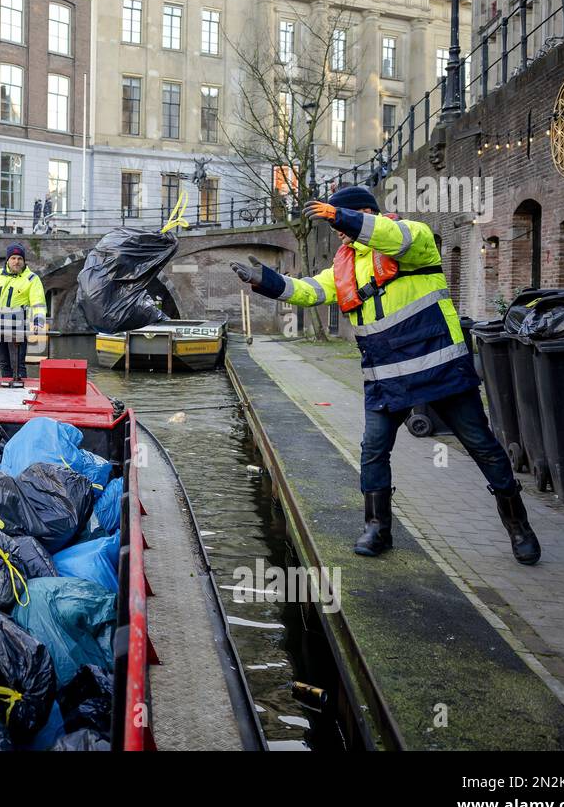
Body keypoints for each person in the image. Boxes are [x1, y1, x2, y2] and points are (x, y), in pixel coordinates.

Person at [228, 185, 541, 566]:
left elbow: (391, 237)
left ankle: (519, 527)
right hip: (385, 377)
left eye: (341, 221)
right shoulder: (346, 265)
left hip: (439, 368)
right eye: (336, 222)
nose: (338, 232)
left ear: (363, 214)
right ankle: (377, 528)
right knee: (373, 451)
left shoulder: (414, 238)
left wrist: (340, 215)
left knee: (482, 446)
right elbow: (309, 290)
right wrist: (267, 280)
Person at [0, 243, 47, 387]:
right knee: (4, 364)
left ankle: (21, 391)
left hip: (17, 329)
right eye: (13, 258)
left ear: (24, 261)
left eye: (19, 258)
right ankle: (6, 389)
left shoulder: (31, 279)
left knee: (18, 365)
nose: (16, 261)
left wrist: (38, 323)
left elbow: (38, 305)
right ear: (7, 260)